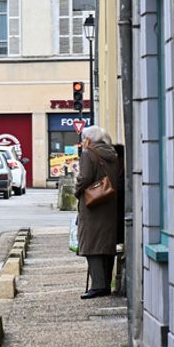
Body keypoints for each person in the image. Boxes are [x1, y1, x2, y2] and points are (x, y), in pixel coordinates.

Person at [74, 126, 122, 299]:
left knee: (92, 245)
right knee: (106, 244)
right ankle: (106, 283)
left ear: (88, 139)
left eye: (83, 139)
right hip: (109, 202)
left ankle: (98, 286)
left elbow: (85, 178)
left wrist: (76, 190)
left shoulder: (89, 153)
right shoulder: (112, 153)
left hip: (93, 204)